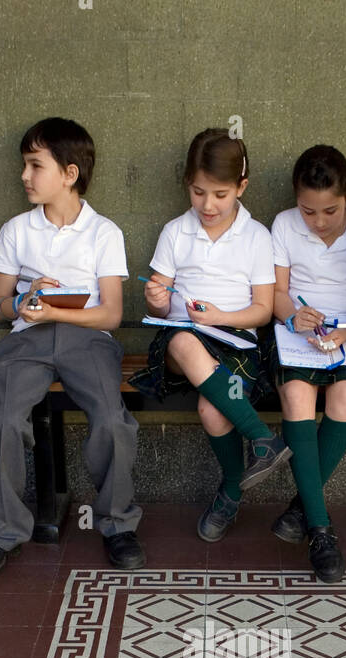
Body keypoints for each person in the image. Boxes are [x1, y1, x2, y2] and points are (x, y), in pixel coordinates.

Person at [0, 117, 144, 579]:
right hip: (26, 340)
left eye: (34, 165)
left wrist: (57, 312)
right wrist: (23, 304)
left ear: (69, 173)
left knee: (111, 420)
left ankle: (117, 524)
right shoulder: (16, 230)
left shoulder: (104, 232)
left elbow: (110, 314)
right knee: (3, 421)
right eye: (24, 165)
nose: (25, 176)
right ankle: (3, 531)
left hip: (88, 340)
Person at [129, 128, 291, 542]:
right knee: (185, 341)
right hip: (179, 341)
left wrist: (220, 317)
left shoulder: (257, 237)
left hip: (236, 340)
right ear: (188, 185)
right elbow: (159, 308)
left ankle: (232, 491)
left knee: (212, 410)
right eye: (198, 192)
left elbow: (264, 309)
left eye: (220, 194)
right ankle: (261, 439)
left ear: (242, 186)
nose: (207, 205)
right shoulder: (176, 231)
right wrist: (156, 299)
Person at [264, 145, 346, 583]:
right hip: (298, 333)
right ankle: (321, 531)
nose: (319, 221)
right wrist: (292, 315)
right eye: (309, 210)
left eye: (330, 210)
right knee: (296, 394)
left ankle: (300, 509)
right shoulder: (284, 225)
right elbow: (277, 292)